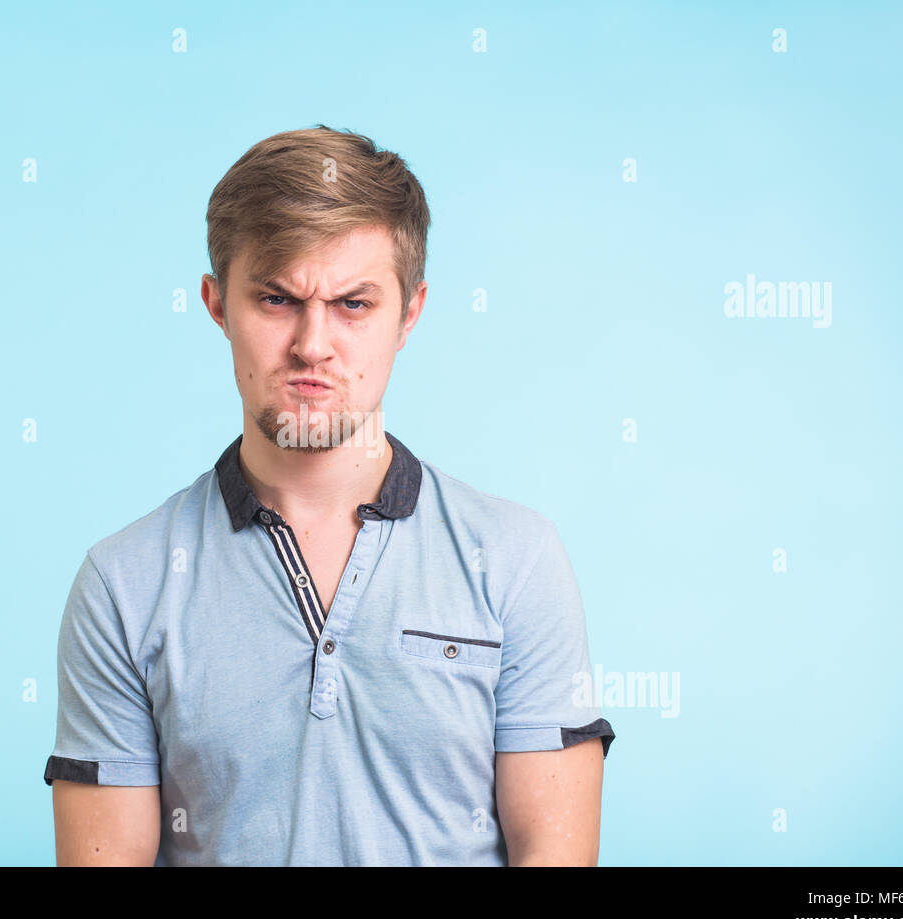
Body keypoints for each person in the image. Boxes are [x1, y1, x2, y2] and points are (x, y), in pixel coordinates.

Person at [44, 124, 615, 865]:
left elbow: (556, 857)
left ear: (409, 314)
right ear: (218, 306)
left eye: (353, 304)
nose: (313, 344)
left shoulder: (514, 559)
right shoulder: (124, 583)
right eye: (277, 299)